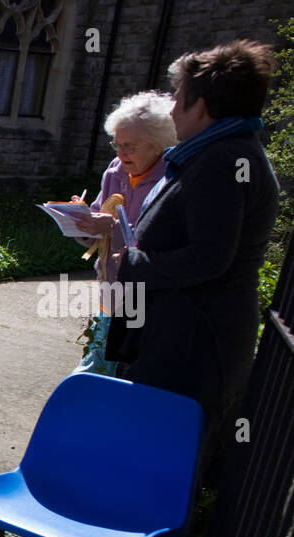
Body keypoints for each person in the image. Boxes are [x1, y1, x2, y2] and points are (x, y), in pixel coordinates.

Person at [111, 40, 278, 468]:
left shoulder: (224, 162)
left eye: (179, 102)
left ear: (200, 107)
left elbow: (210, 257)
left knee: (164, 462)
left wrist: (130, 263)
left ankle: (150, 534)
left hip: (193, 347)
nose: (171, 112)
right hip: (182, 338)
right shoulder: (221, 153)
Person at [69, 91, 176, 376]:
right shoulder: (114, 171)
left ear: (158, 144)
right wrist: (82, 219)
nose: (120, 152)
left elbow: (160, 239)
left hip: (144, 294)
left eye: (129, 146)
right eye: (116, 143)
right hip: (111, 285)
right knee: (102, 360)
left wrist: (110, 226)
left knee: (123, 369)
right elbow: (96, 227)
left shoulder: (171, 180)